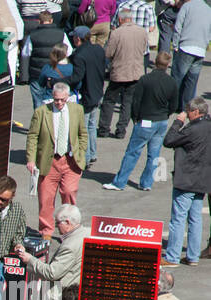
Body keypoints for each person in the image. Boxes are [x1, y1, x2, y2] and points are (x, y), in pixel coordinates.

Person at [104, 51, 177, 193]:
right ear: (168, 65)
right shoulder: (172, 82)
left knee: (133, 152)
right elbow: (174, 105)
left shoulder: (145, 79)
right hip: (161, 121)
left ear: (155, 62)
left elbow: (136, 101)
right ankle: (146, 183)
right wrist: (166, 114)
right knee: (154, 154)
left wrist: (135, 117)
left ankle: (120, 182)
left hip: (146, 121)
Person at [25, 83, 86, 236]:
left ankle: (69, 229)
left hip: (70, 161)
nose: (59, 103)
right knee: (46, 199)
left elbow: (82, 134)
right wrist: (31, 159)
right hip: (49, 162)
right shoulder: (41, 112)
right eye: (56, 100)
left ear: (68, 98)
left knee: (69, 192)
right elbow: (32, 136)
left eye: (62, 100)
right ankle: (46, 232)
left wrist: (81, 152)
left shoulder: (77, 110)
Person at [161, 98, 211, 267]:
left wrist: (177, 122)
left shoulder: (193, 129)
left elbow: (169, 140)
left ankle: (173, 257)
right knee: (195, 219)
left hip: (187, 180)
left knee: (178, 219)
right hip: (202, 180)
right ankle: (193, 256)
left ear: (196, 112)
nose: (186, 114)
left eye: (188, 111)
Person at [16, 203, 85, 300]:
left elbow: (52, 273)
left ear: (67, 222)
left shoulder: (70, 246)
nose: (56, 227)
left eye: (58, 223)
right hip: (74, 297)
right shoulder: (86, 234)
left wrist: (30, 259)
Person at [100, 9, 150, 139]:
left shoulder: (116, 33)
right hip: (136, 72)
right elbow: (144, 49)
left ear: (121, 19)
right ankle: (121, 130)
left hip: (119, 72)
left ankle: (104, 128)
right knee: (127, 102)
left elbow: (109, 53)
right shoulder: (142, 32)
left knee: (109, 100)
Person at [68, 26, 108, 166]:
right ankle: (92, 153)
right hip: (98, 92)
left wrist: (60, 81)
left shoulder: (79, 55)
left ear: (77, 39)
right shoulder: (98, 49)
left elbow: (76, 78)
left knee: (82, 128)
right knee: (91, 125)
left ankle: (84, 159)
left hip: (86, 95)